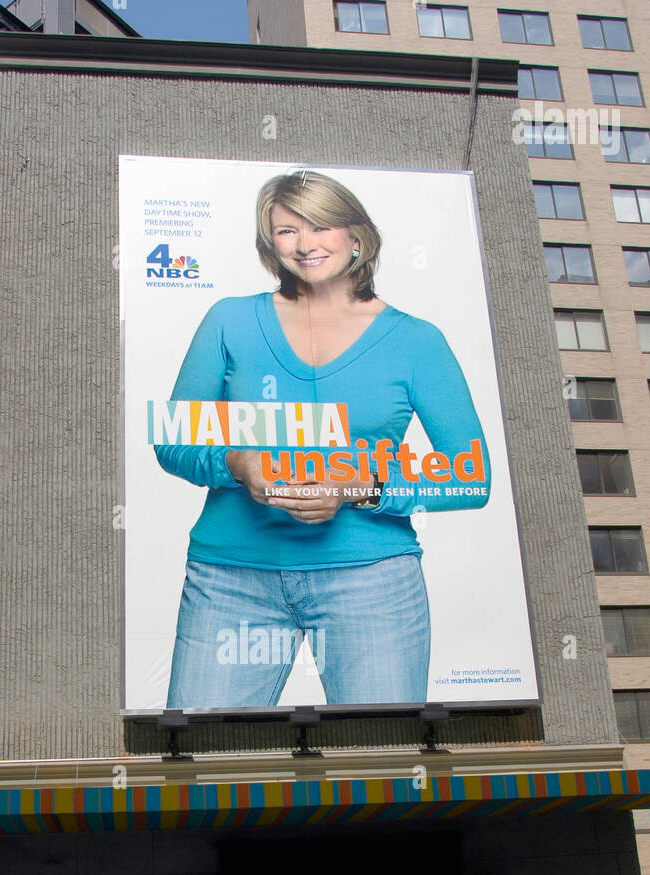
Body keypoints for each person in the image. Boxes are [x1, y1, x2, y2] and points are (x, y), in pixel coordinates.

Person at [154, 168, 491, 709]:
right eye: (287, 231)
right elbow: (173, 441)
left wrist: (364, 484)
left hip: (372, 582)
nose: (306, 244)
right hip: (231, 578)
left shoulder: (417, 341)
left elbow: (472, 477)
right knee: (205, 768)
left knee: (382, 766)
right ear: (270, 244)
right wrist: (237, 463)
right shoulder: (229, 321)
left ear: (356, 236)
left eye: (321, 226)